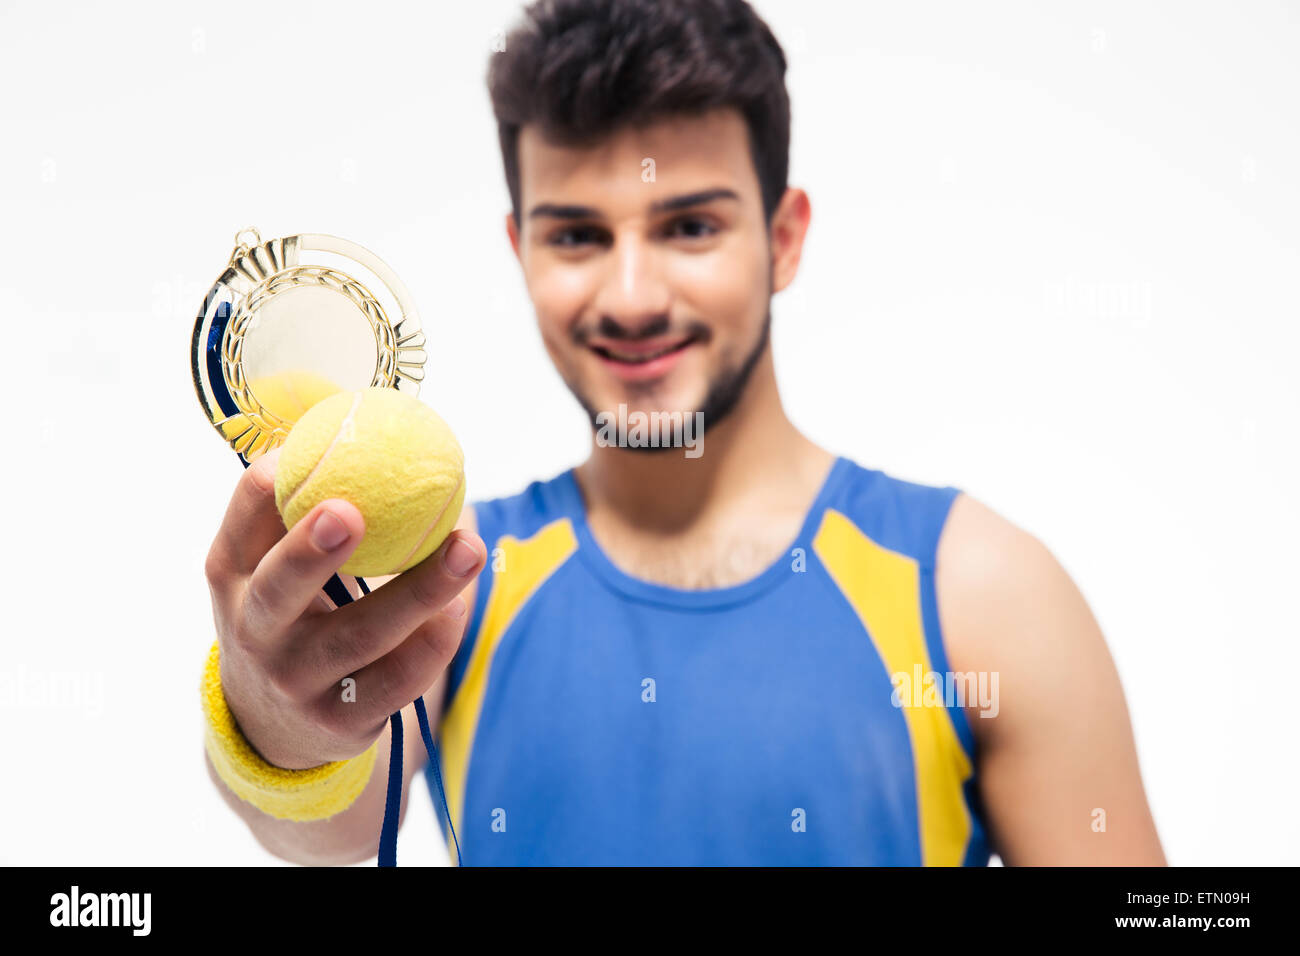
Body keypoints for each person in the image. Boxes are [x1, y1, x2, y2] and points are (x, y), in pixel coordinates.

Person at [201, 0, 1166, 865]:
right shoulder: (455, 581)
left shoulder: (979, 593)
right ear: (521, 248)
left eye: (690, 227)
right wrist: (282, 726)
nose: (631, 296)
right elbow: (319, 830)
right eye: (576, 234)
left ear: (782, 238)